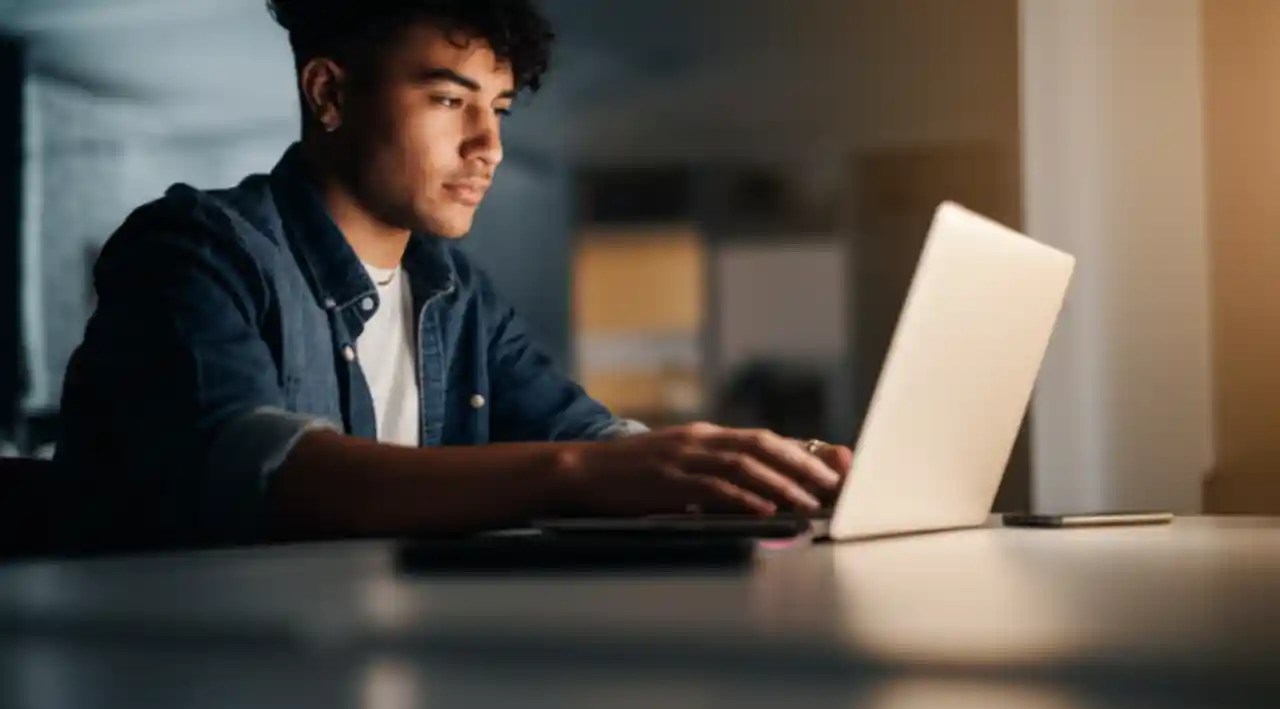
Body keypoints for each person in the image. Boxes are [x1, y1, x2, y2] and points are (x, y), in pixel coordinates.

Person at [54, 0, 852, 550]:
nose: (489, 147)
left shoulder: (458, 294)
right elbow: (263, 473)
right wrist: (579, 473)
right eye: (448, 99)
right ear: (329, 92)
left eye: (498, 109)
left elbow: (591, 440)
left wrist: (761, 468)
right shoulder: (194, 249)